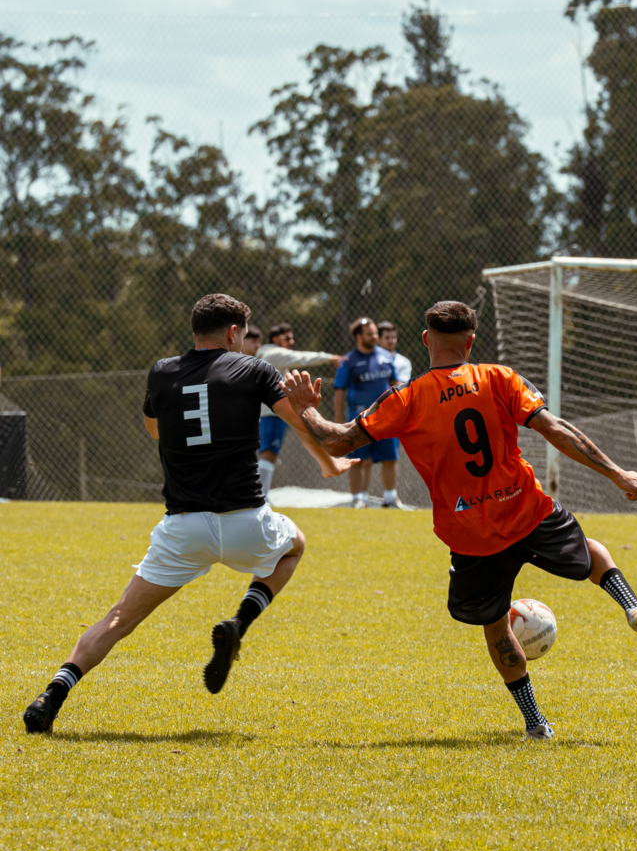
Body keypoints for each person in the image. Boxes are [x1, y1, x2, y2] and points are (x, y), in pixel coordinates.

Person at [281, 300, 637, 741]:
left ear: (426, 340)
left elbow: (339, 441)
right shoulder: (499, 377)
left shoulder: (408, 397)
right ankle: (632, 606)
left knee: (495, 623)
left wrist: (306, 408)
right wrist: (618, 473)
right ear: (472, 341)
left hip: (470, 534)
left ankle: (536, 723)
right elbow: (556, 429)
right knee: (591, 551)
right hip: (525, 509)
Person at [23, 294, 356, 735]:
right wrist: (329, 462)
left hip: (182, 529)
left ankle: (53, 693)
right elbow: (299, 421)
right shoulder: (255, 369)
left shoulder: (162, 372)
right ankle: (240, 621)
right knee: (294, 546)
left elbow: (154, 430)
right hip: (245, 520)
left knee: (119, 618)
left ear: (194, 331)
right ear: (235, 333)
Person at [252, 322, 344, 498]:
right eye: (287, 338)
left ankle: (259, 495)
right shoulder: (274, 353)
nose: (291, 341)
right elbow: (300, 358)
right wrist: (328, 357)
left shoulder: (268, 355)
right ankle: (260, 497)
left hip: (269, 412)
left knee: (267, 453)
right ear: (275, 339)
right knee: (269, 453)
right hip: (272, 413)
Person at [334, 318, 400, 509]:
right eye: (370, 334)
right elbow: (339, 391)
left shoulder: (386, 356)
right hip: (359, 420)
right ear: (358, 336)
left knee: (390, 457)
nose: (375, 337)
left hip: (386, 418)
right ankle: (358, 499)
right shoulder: (349, 361)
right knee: (358, 460)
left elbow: (395, 385)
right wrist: (339, 421)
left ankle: (390, 498)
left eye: (375, 333)